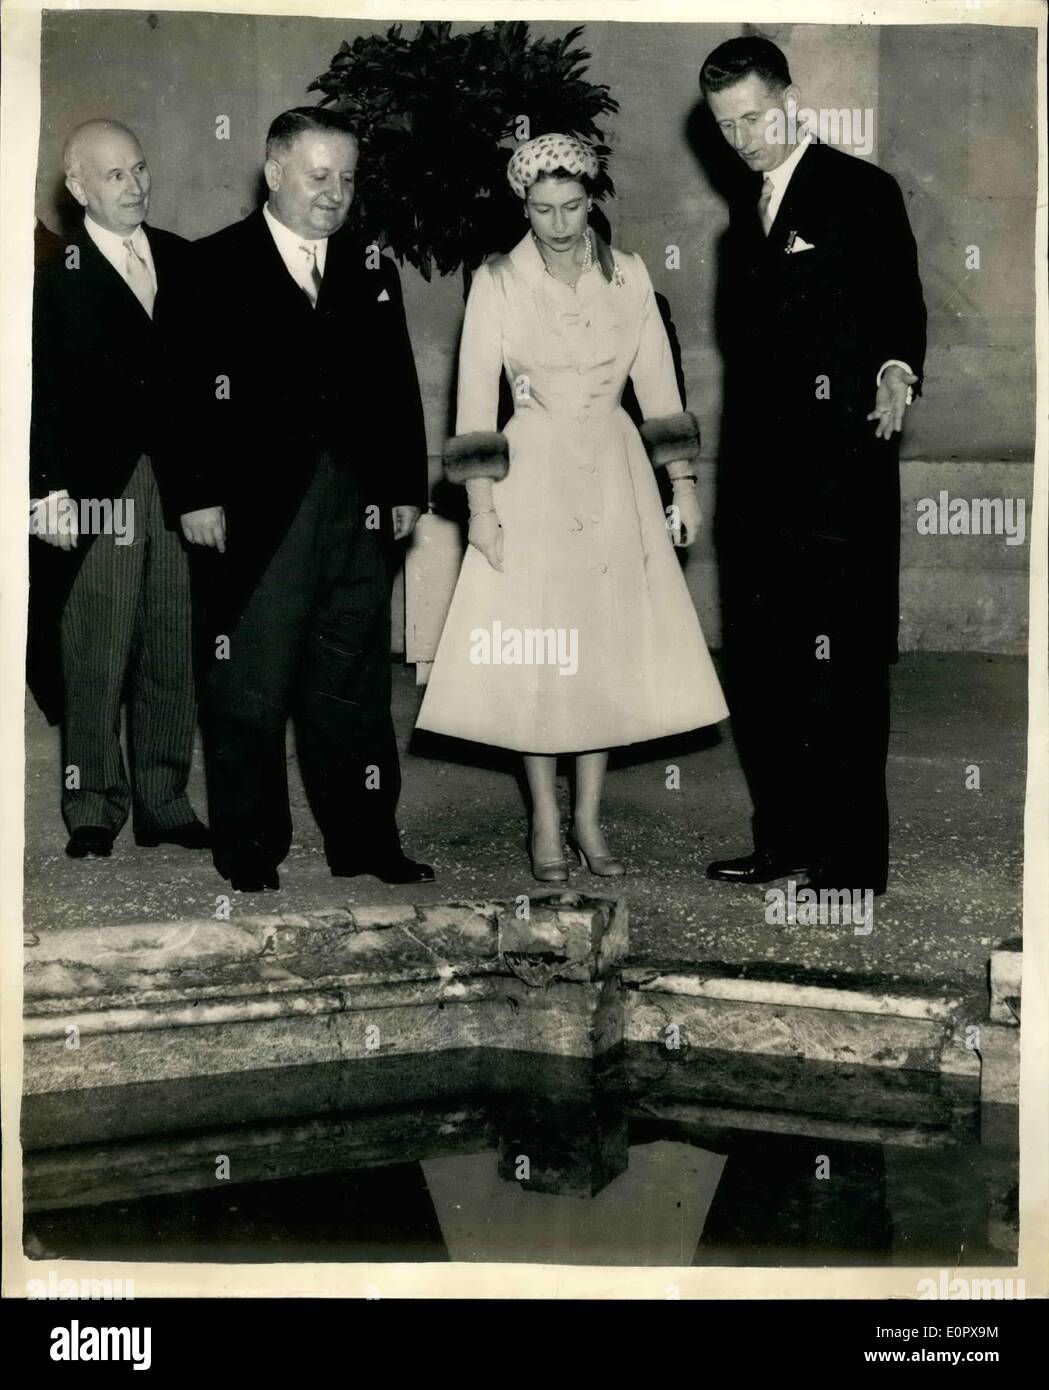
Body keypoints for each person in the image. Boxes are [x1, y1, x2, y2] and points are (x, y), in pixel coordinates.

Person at [415, 134, 728, 881]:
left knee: (602, 649)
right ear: (523, 207)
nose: (557, 224)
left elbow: (658, 390)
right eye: (541, 208)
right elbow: (473, 406)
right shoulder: (497, 280)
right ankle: (545, 821)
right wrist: (483, 508)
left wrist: (682, 485)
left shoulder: (630, 276)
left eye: (572, 206)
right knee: (541, 650)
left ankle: (589, 816)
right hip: (533, 476)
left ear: (592, 200)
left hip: (614, 474)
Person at [172, 107, 431, 892]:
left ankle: (365, 840)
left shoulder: (371, 265)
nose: (335, 194)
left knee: (351, 686)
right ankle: (248, 847)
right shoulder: (210, 264)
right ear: (275, 167)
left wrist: (404, 490)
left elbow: (395, 387)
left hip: (355, 512)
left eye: (347, 179)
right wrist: (196, 495)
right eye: (320, 177)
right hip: (257, 514)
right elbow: (182, 394)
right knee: (249, 684)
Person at [699, 38, 927, 896]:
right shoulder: (741, 215)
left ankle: (848, 862)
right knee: (763, 670)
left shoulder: (860, 190)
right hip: (758, 485)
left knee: (840, 672)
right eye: (727, 126)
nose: (744, 138)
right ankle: (783, 841)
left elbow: (897, 301)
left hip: (837, 478)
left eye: (754, 117)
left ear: (790, 99)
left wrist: (895, 367)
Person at [29, 119, 208, 860]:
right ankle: (92, 804)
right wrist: (47, 492)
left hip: (177, 485)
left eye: (139, 169)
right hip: (96, 487)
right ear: (77, 188)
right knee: (95, 651)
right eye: (113, 176)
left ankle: (165, 801)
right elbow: (36, 393)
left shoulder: (183, 259)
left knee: (173, 645)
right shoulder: (51, 273)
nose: (133, 187)